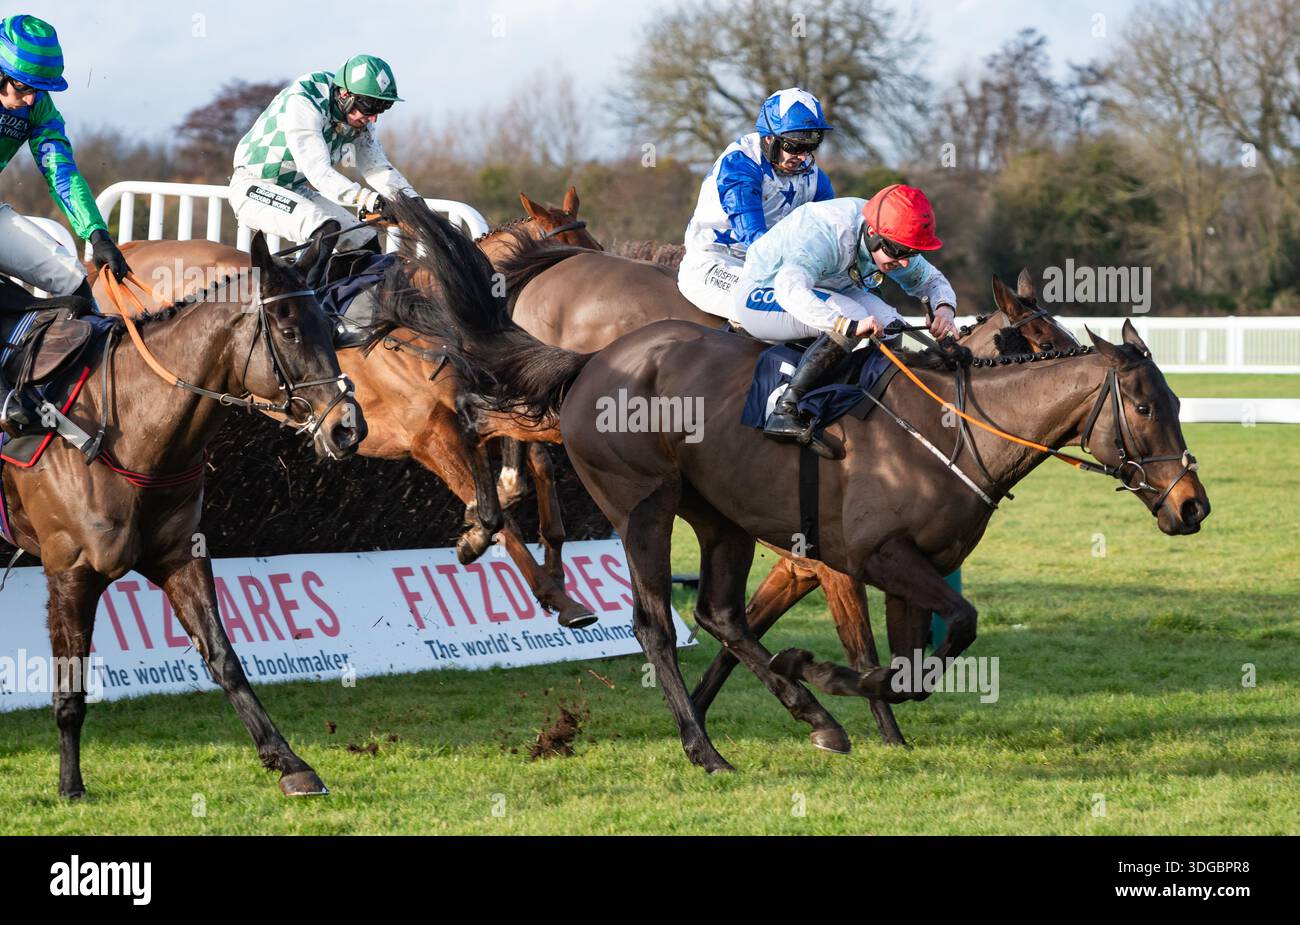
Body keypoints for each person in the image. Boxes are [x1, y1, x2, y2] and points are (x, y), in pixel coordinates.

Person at [734, 184, 960, 456]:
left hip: (829, 285)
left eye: (910, 253)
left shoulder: (891, 235)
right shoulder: (827, 233)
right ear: (873, 234)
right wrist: (847, 325)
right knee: (855, 317)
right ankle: (785, 410)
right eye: (899, 251)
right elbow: (789, 289)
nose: (903, 263)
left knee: (893, 324)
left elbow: (932, 281)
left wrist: (944, 309)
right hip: (766, 290)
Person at [0, 14, 130, 427]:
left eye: (38, 91)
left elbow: (60, 170)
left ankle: (87, 394)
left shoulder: (37, 106)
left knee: (70, 277)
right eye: (23, 88)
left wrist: (97, 233)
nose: (31, 101)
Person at [229, 54, 421, 258]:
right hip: (253, 188)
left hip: (294, 190)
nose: (373, 117)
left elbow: (377, 167)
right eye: (370, 106)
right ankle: (306, 280)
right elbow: (318, 172)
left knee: (365, 242)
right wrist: (368, 199)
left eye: (382, 107)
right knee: (326, 230)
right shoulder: (306, 98)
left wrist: (411, 198)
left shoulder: (358, 117)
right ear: (345, 94)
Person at [677, 88, 835, 321]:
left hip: (767, 269)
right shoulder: (740, 165)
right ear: (769, 138)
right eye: (794, 146)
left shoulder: (815, 177)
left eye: (810, 147)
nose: (803, 157)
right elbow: (755, 240)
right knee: (793, 313)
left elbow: (830, 234)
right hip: (715, 263)